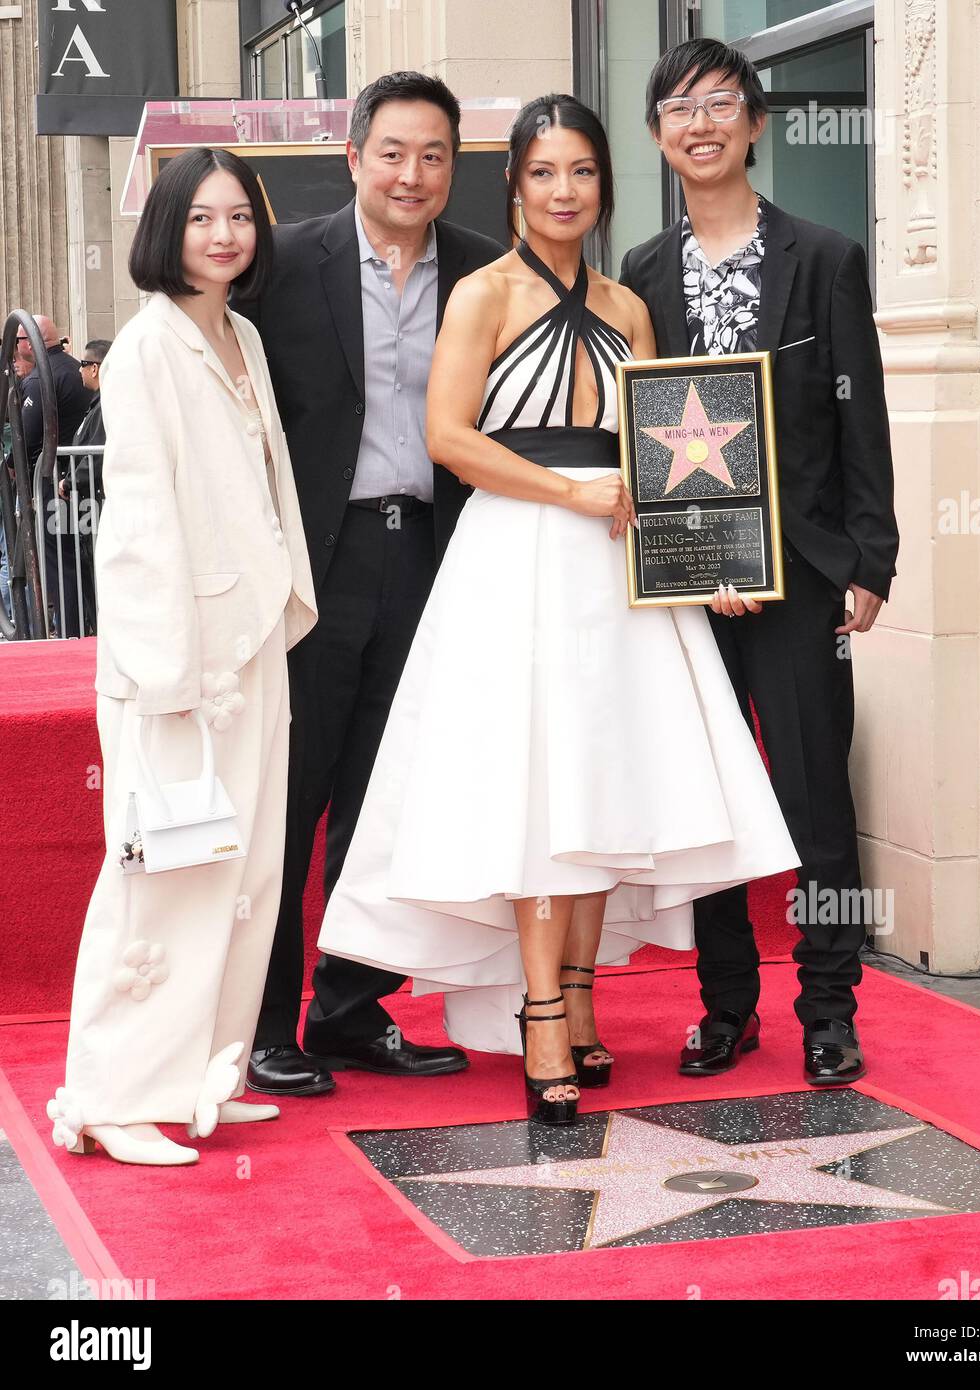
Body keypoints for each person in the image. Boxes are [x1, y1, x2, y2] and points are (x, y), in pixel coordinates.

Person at [317, 94, 799, 1124]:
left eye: (580, 171)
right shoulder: (481, 294)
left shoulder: (629, 308)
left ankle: (579, 1001)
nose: (563, 191)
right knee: (535, 785)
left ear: (603, 183)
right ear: (513, 184)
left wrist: (714, 546)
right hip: (517, 556)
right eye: (542, 173)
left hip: (620, 572)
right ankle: (539, 1011)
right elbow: (450, 437)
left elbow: (675, 446)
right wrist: (570, 492)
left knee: (597, 782)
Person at [620, 39, 899, 1085]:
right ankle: (724, 1005)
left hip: (801, 572)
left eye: (718, 105)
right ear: (657, 134)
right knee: (703, 797)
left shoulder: (822, 257)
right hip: (689, 576)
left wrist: (870, 556)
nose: (698, 124)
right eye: (677, 109)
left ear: (753, 124)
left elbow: (860, 416)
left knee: (813, 793)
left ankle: (828, 1006)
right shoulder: (640, 273)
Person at [234, 72, 506, 1099]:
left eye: (433, 155)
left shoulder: (482, 274)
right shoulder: (285, 262)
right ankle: (263, 1026)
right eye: (391, 152)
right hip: (312, 567)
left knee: (385, 801)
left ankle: (350, 1011)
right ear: (353, 158)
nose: (412, 173)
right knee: (289, 800)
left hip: (428, 561)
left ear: (452, 167)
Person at [46, 146, 318, 1166]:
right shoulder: (153, 344)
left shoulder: (238, 329)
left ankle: (206, 1069)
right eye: (201, 217)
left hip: (251, 638)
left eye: (238, 216)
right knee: (158, 871)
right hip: (181, 654)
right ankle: (111, 1095)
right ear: (167, 228)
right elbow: (142, 516)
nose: (223, 235)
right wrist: (165, 672)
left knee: (243, 869)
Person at [8, 318, 95, 636]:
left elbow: (27, 436)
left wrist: (13, 465)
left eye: (17, 341)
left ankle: (70, 629)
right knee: (75, 559)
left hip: (52, 481)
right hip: (74, 479)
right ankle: (80, 625)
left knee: (60, 563)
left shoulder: (41, 379)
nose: (15, 348)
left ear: (29, 342)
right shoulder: (74, 369)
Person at [56, 340, 112, 634]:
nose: (79, 371)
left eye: (83, 364)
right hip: (89, 504)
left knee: (98, 574)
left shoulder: (106, 407)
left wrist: (70, 481)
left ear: (95, 368)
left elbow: (98, 455)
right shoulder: (98, 406)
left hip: (97, 504)